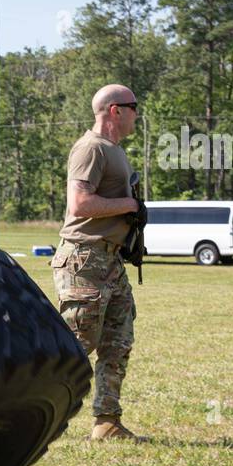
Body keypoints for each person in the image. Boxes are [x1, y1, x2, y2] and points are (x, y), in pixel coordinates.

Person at [51, 83, 142, 441]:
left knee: (117, 343)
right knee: (75, 346)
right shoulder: (91, 148)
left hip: (110, 260)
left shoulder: (114, 150)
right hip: (83, 258)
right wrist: (131, 206)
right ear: (115, 110)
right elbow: (80, 205)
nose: (138, 113)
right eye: (134, 106)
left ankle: (107, 421)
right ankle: (18, 411)